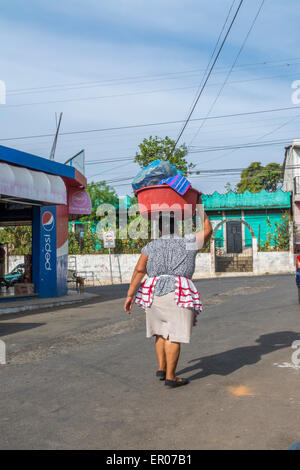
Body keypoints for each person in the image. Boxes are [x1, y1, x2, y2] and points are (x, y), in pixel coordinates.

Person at [123, 200, 212, 388]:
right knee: (174, 335)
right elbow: (207, 230)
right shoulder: (188, 242)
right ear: (177, 227)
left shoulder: (151, 247)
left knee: (160, 333)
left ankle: (162, 368)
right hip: (178, 291)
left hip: (153, 292)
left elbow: (139, 270)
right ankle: (171, 377)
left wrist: (130, 295)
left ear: (160, 230)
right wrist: (200, 208)